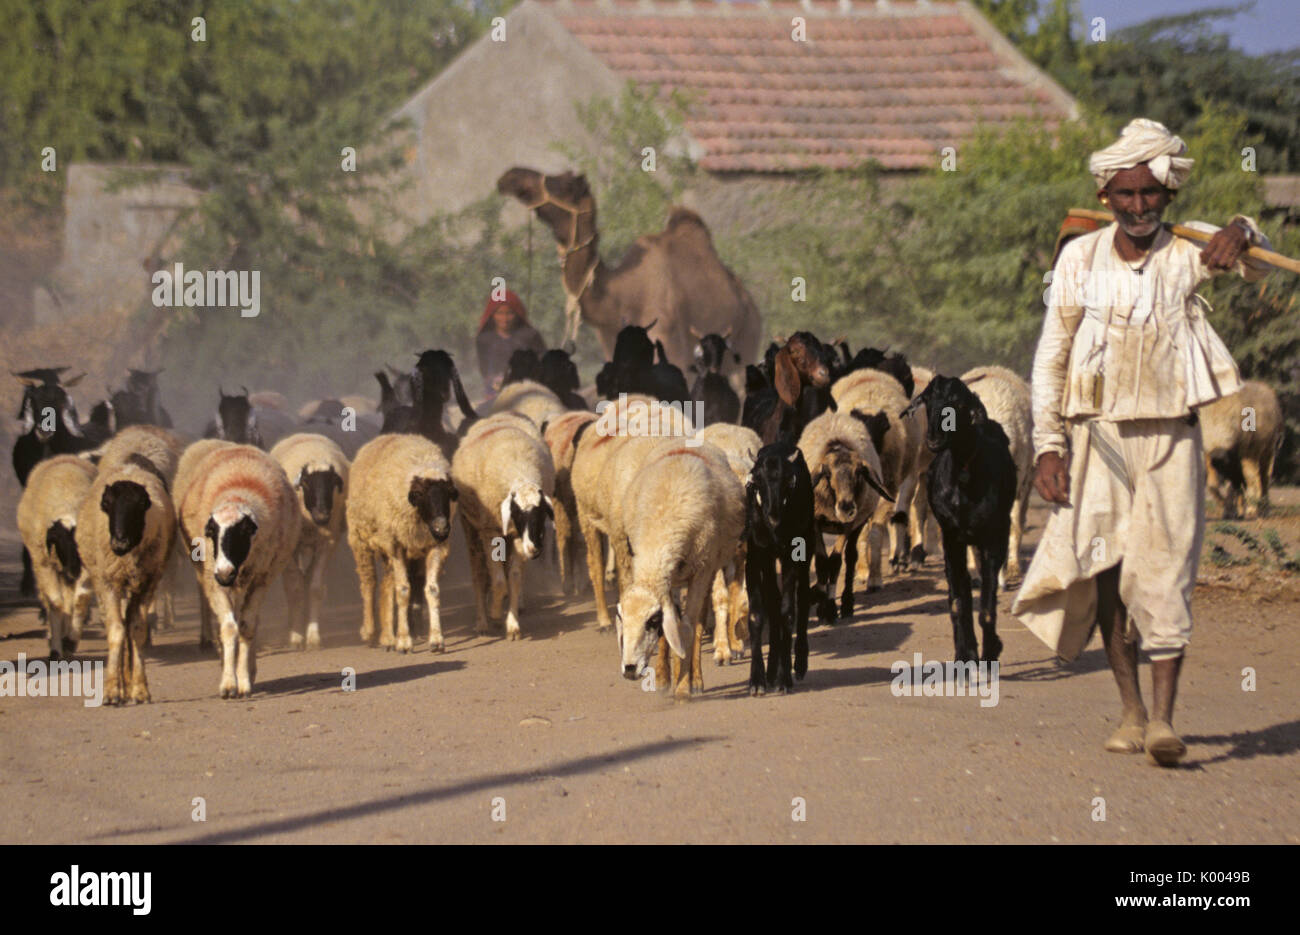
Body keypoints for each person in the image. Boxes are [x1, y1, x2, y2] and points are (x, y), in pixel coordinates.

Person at [1012, 118, 1274, 767]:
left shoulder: (1188, 253)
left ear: (1167, 196)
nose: (1137, 206)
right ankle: (1128, 707)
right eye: (1124, 195)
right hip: (1095, 435)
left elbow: (1248, 256)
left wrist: (1243, 229)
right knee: (1104, 572)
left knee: (1163, 573)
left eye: (1149, 194)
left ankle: (1162, 718)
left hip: (1170, 439)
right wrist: (1048, 445)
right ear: (1105, 196)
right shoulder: (1080, 258)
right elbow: (1052, 355)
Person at [475, 289, 546, 398]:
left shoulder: (530, 336)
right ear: (492, 315)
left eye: (510, 313)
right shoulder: (484, 340)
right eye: (499, 313)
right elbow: (484, 370)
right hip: (495, 394)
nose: (505, 319)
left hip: (528, 392)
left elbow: (543, 364)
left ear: (517, 314)